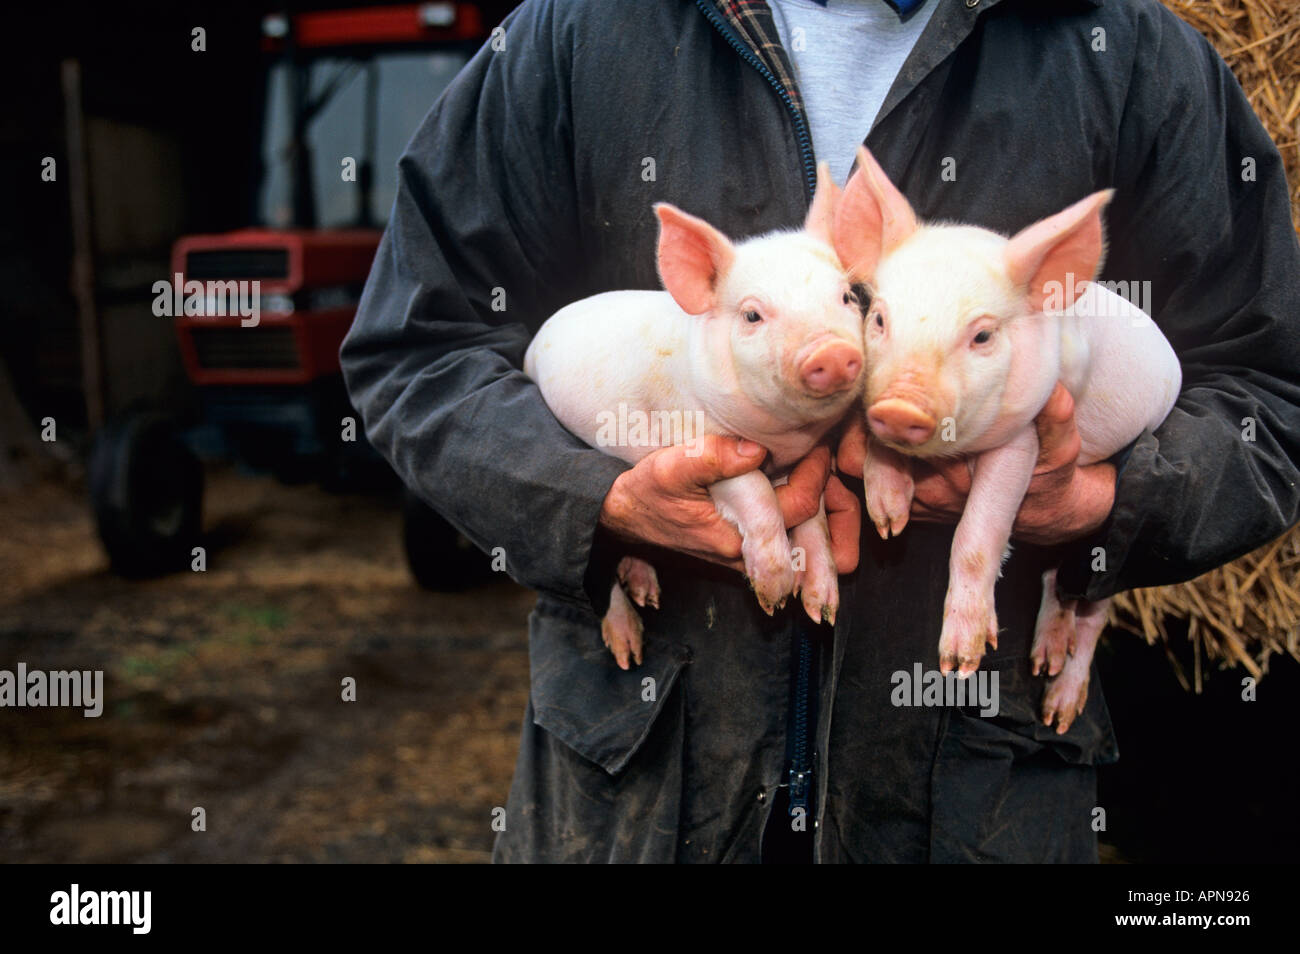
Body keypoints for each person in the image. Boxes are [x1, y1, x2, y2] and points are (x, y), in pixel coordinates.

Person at [340, 0, 1300, 862]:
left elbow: (1269, 394)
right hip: (635, 794)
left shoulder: (1119, 51)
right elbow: (415, 351)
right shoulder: (578, 32)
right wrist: (600, 502)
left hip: (972, 797)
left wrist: (1098, 507)